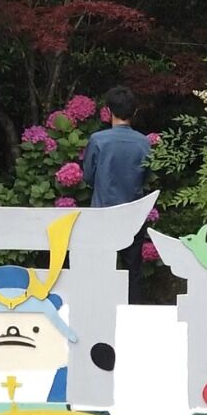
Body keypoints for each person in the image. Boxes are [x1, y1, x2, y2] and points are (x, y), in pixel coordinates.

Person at [82, 86, 150, 304]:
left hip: (102, 212)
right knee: (133, 271)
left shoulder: (98, 140)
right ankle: (133, 314)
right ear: (136, 111)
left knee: (100, 266)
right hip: (134, 213)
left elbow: (88, 177)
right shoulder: (144, 142)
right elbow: (146, 177)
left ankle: (99, 310)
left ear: (108, 110)